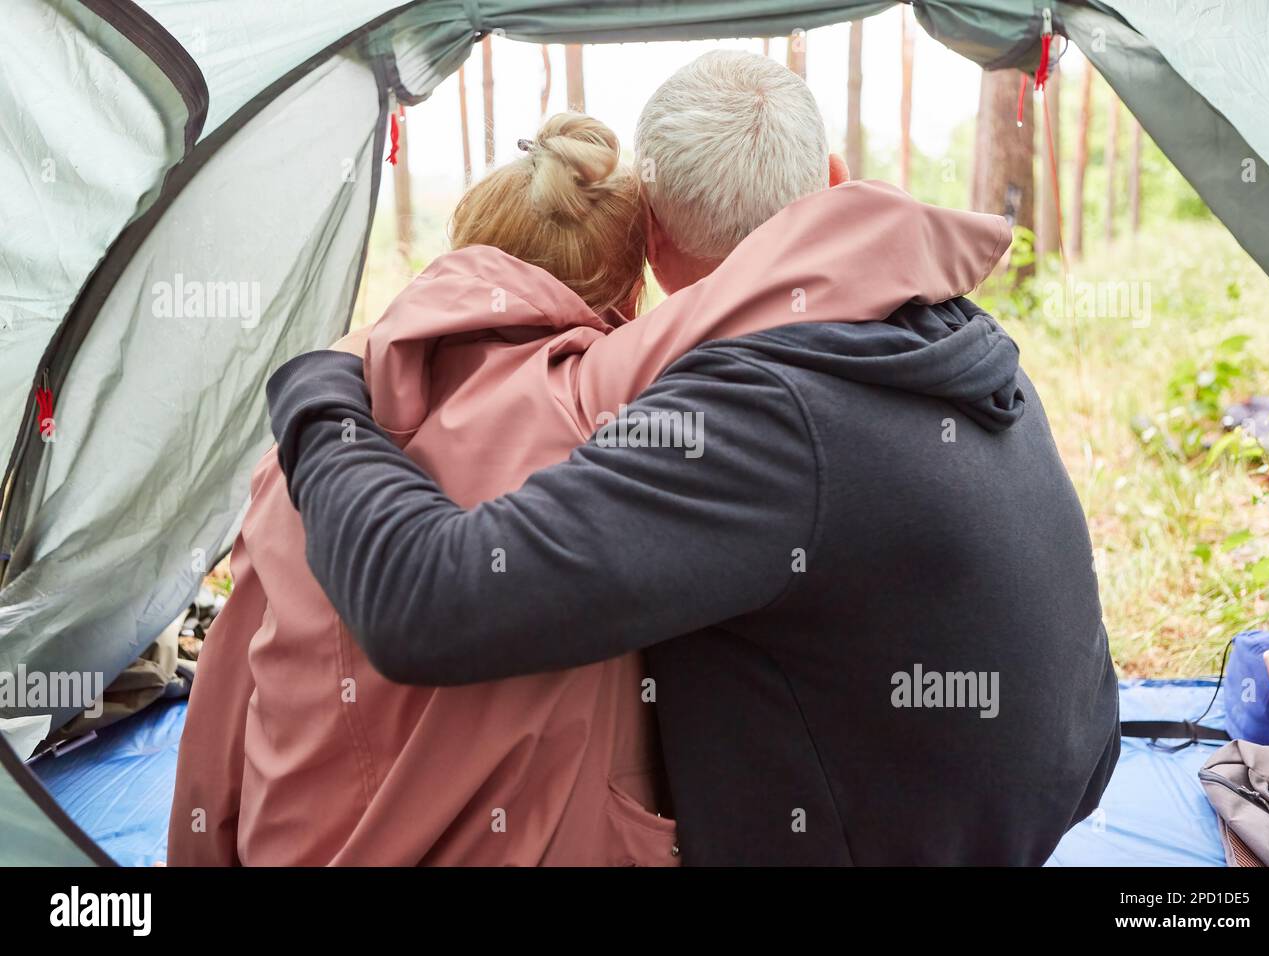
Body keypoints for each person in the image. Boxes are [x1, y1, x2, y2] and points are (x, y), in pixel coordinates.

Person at [263, 50, 1122, 866]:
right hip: (1048, 785)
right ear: (831, 180)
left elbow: (424, 602)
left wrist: (322, 398)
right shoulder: (939, 320)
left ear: (654, 243)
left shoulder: (754, 417)